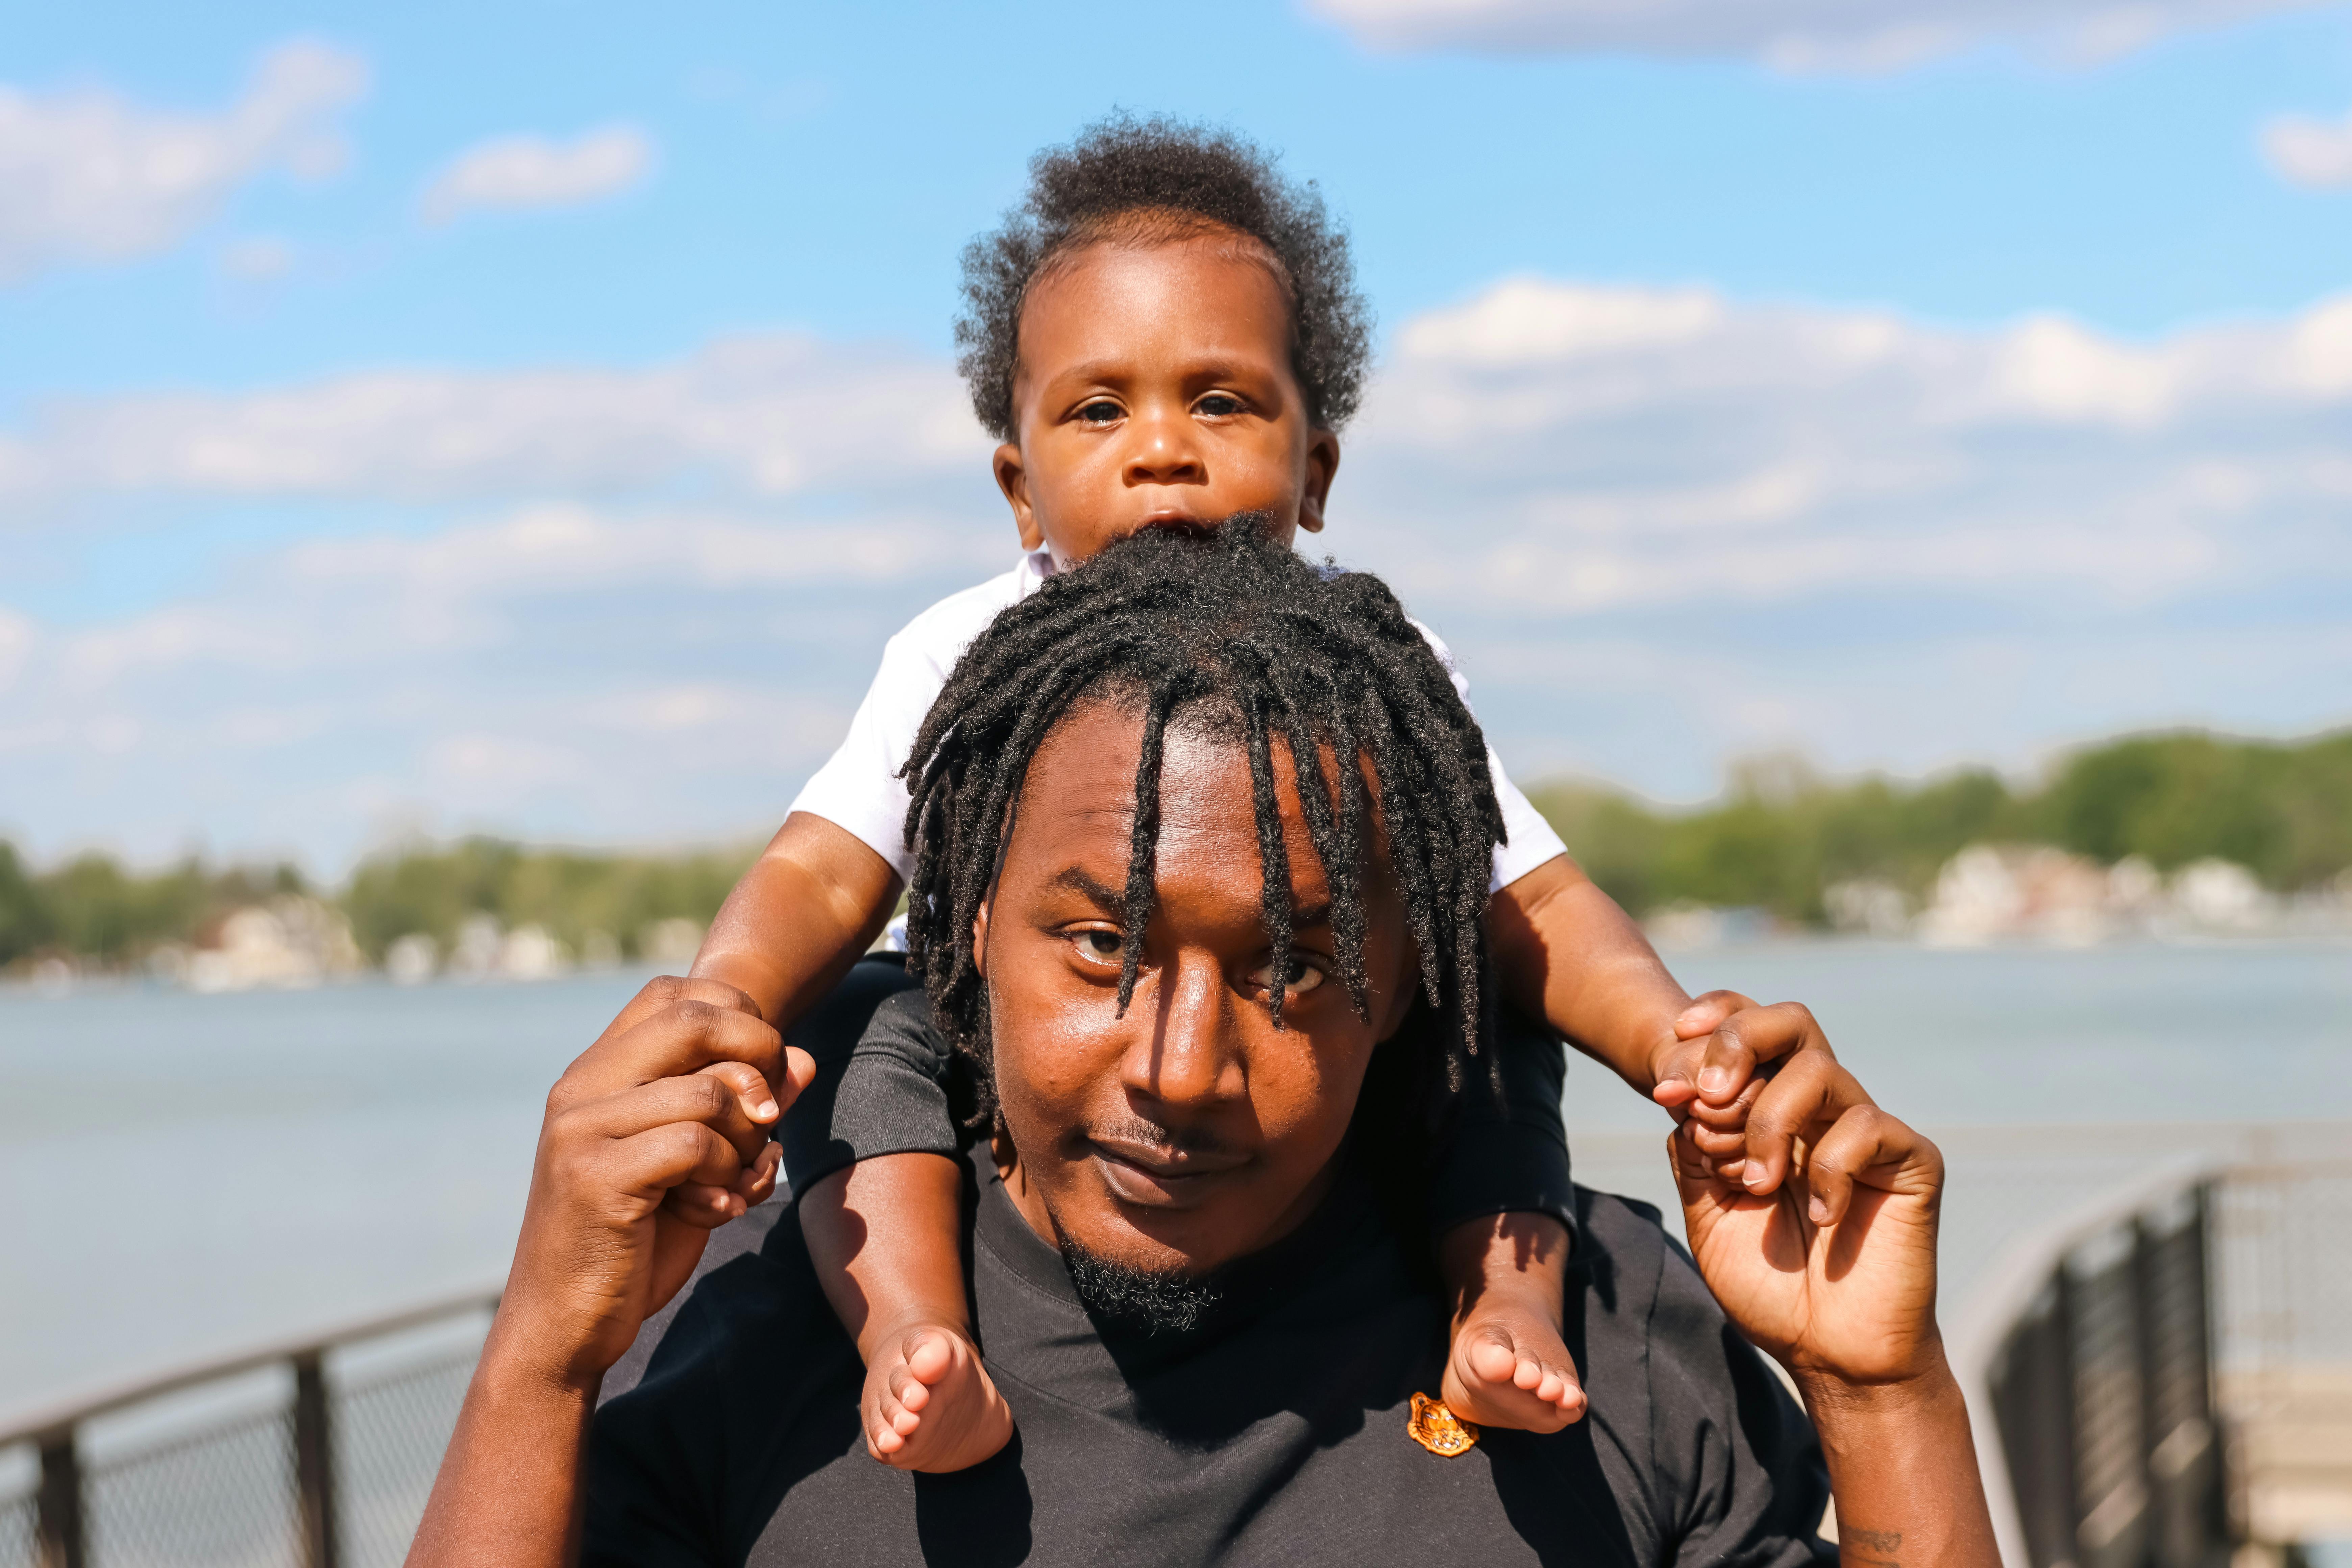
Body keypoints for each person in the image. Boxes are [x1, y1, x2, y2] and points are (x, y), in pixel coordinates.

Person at [406, 523, 1997, 1567]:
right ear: (961, 925)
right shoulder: (777, 1331)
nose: (1176, 1064)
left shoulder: (1612, 1334)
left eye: (1294, 966)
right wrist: (543, 1352)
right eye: (1102, 945)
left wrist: (1883, 1393)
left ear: (1404, 982)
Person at [676, 116, 1859, 1473]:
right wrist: (719, 1002)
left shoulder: (1372, 679)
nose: (1162, 447)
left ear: (1316, 472)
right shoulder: (964, 651)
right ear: (1018, 487)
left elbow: (1533, 897)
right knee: (861, 1033)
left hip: (1337, 1077)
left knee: (1487, 1031)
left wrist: (1672, 1041)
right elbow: (828, 872)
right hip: (988, 1052)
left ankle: (1509, 1301)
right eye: (1099, 408)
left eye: (1220, 400)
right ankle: (910, 1330)